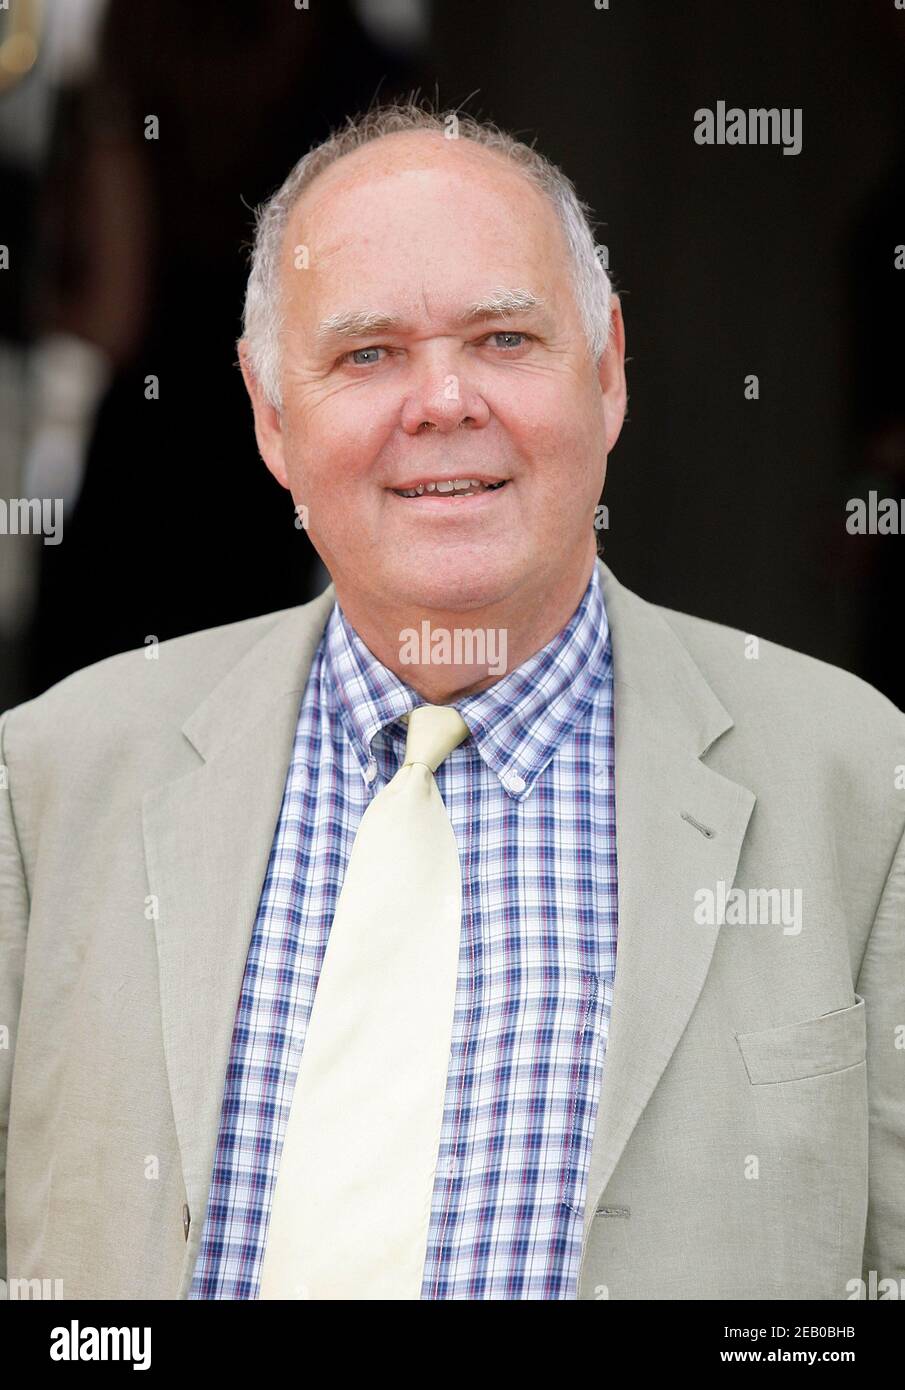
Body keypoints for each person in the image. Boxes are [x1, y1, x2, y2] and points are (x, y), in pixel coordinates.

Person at [1, 101, 902, 1301]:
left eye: (502, 340)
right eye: (367, 353)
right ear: (271, 415)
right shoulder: (50, 781)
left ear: (606, 369)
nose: (441, 402)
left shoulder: (859, 784)